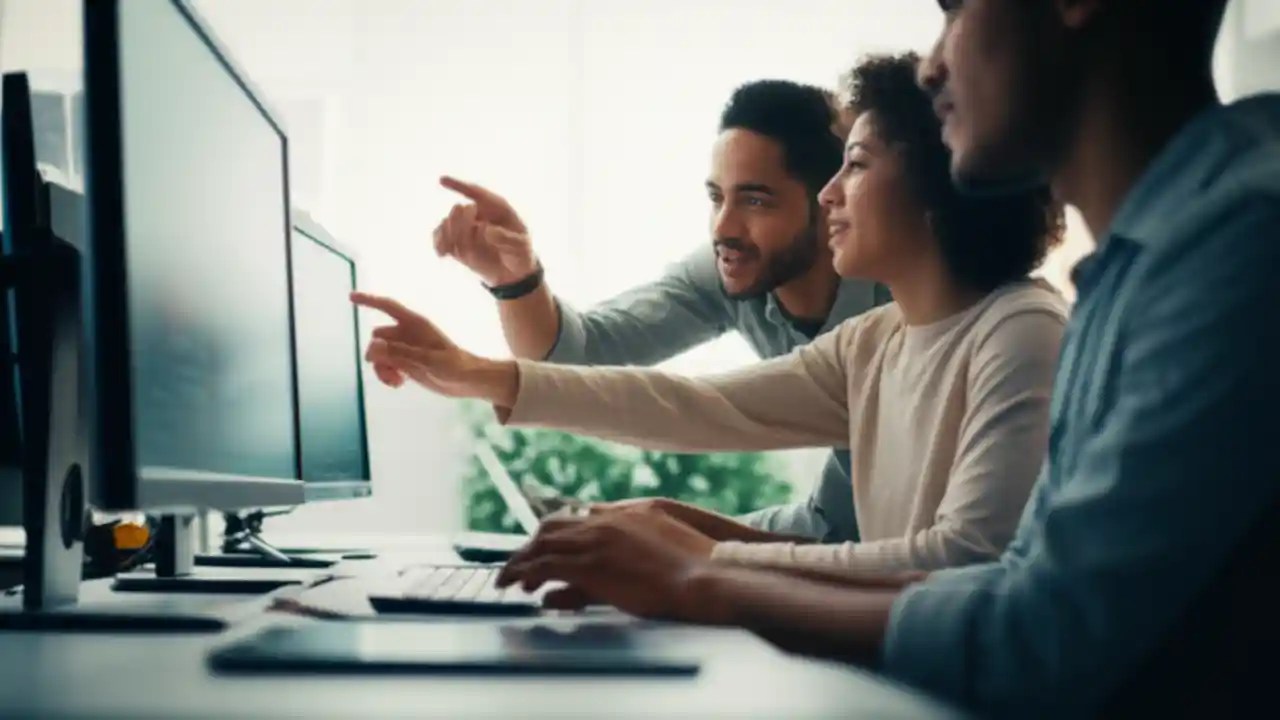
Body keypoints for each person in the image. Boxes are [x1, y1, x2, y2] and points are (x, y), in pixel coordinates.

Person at [428, 1, 1275, 716]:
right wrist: (482, 377)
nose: (934, 66)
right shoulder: (1134, 272)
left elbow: (1025, 616)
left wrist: (702, 573)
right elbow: (699, 404)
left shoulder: (1233, 250)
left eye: (955, 10)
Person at [355, 53, 1067, 577]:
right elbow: (692, 404)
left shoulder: (1019, 330)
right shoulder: (876, 340)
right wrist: (475, 368)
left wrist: (699, 558)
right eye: (716, 196)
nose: (831, 195)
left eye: (854, 166)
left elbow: (961, 561)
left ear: (936, 186)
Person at [429, 80, 888, 545]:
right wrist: (516, 280)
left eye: (755, 201)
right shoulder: (731, 271)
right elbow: (575, 361)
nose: (724, 228)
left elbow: (707, 413)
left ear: (831, 201)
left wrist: (674, 536)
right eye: (716, 198)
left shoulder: (898, 303)